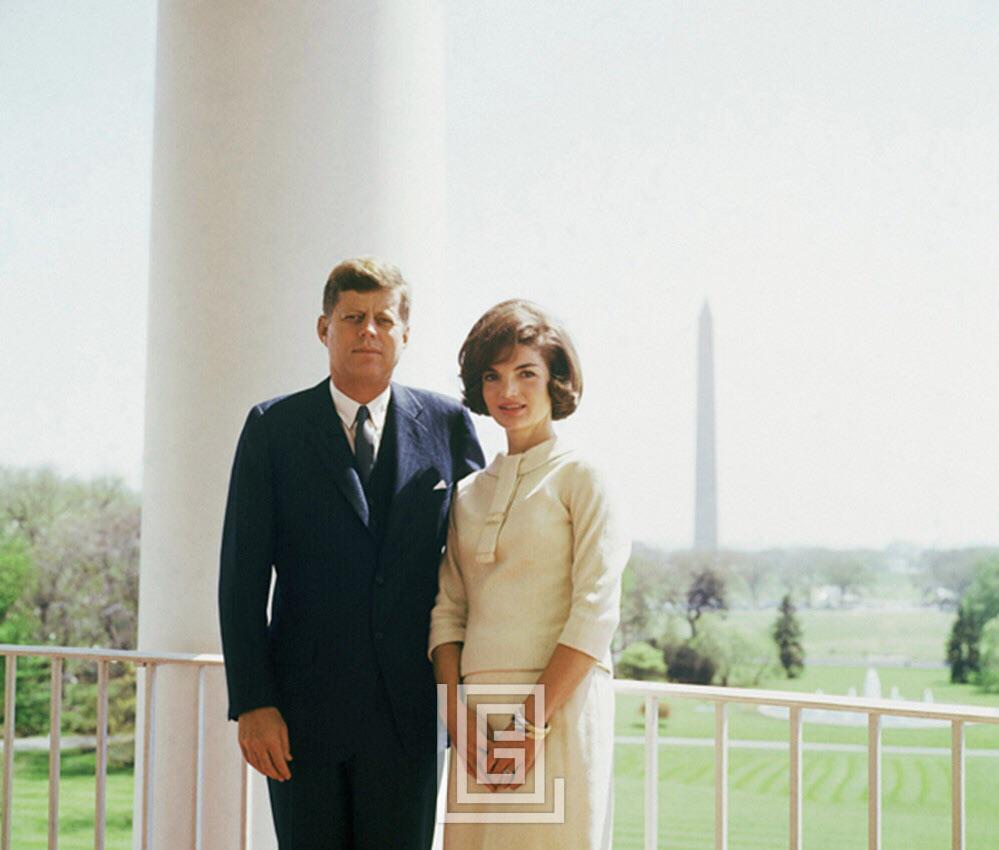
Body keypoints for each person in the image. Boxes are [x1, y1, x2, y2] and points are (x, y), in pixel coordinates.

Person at [218, 257, 484, 850]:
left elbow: (480, 566)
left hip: (410, 716)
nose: (369, 331)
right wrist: (254, 703)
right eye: (353, 317)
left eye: (384, 319)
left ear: (405, 335)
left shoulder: (448, 425)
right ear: (324, 328)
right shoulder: (272, 428)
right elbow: (240, 579)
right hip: (300, 718)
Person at [429, 299, 630, 849]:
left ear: (555, 380)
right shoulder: (468, 493)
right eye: (492, 376)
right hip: (477, 723)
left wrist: (530, 725)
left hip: (557, 712)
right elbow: (448, 612)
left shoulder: (583, 476)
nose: (508, 391)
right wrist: (455, 715)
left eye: (526, 373)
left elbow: (595, 613)